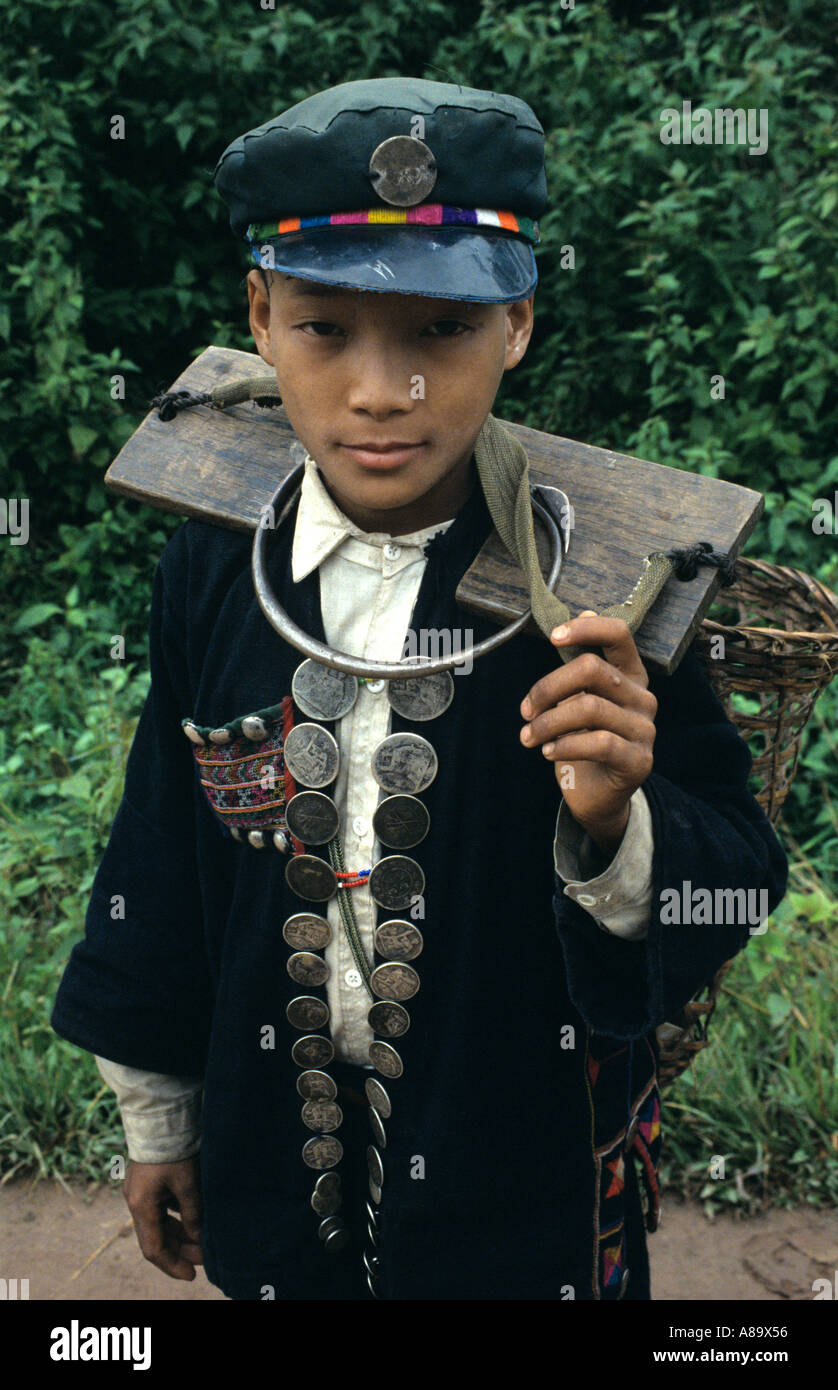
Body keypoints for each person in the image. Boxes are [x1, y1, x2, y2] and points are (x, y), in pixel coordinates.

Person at [51, 76, 788, 1301]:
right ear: (259, 313)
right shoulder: (217, 566)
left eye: (441, 333)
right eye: (324, 329)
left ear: (516, 327)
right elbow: (161, 853)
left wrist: (617, 823)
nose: (380, 394)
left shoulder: (605, 583)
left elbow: (732, 879)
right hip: (274, 1158)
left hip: (523, 1186)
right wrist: (158, 1116)